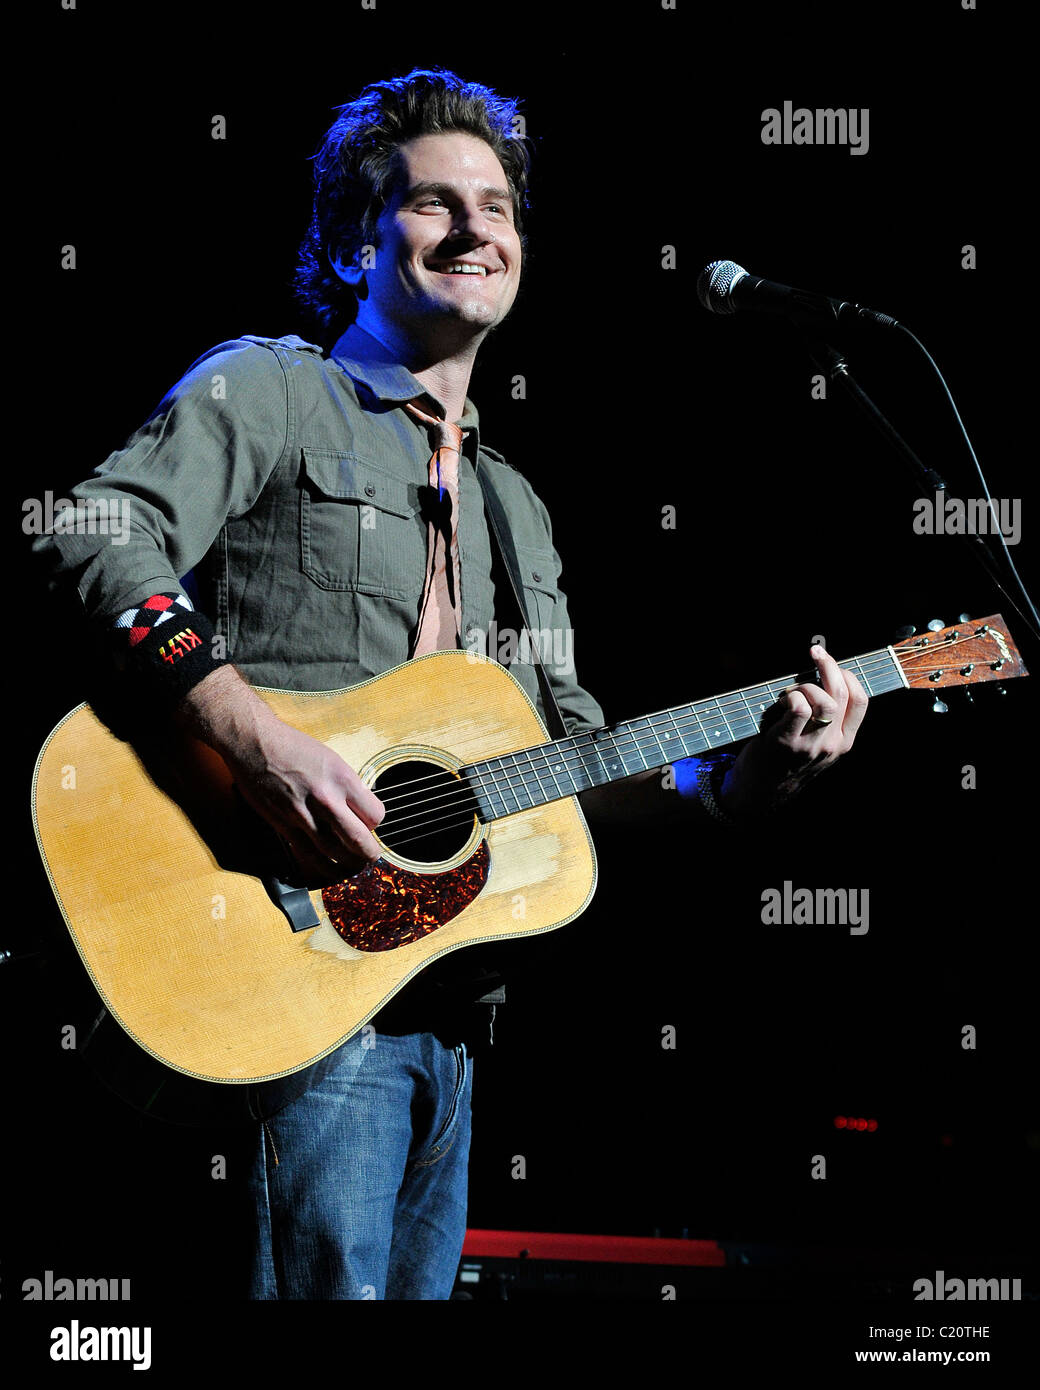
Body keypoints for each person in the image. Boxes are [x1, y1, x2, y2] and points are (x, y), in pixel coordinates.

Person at [33, 67, 868, 1300]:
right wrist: (252, 738)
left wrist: (742, 783)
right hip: (282, 982)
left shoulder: (517, 511)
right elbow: (86, 525)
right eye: (432, 204)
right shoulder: (271, 389)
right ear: (350, 241)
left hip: (448, 1017)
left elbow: (578, 767)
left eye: (497, 206)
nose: (477, 228)